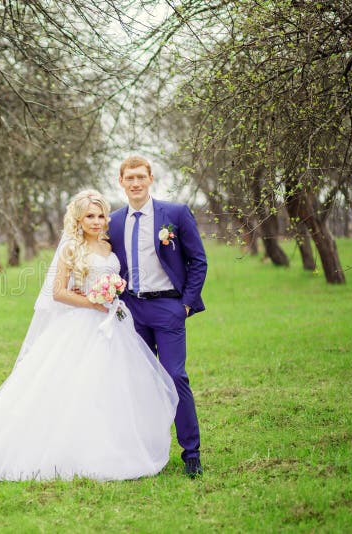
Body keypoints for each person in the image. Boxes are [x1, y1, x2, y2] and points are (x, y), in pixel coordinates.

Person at [0, 190, 178, 481]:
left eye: (101, 215)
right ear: (78, 218)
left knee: (114, 387)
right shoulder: (71, 249)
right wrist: (92, 302)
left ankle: (114, 448)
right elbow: (58, 292)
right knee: (78, 386)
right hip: (82, 324)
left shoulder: (108, 245)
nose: (97, 221)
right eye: (90, 216)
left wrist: (111, 297)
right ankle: (67, 452)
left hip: (115, 324)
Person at [108, 155, 208, 478]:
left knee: (175, 377)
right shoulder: (114, 221)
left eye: (141, 177)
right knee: (136, 382)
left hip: (168, 308)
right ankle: (143, 451)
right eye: (129, 178)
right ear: (121, 182)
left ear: (151, 178)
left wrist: (186, 305)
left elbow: (198, 261)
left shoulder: (174, 214)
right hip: (131, 310)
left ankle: (191, 453)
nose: (135, 183)